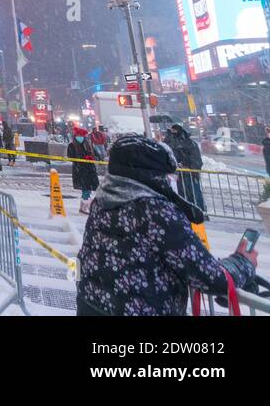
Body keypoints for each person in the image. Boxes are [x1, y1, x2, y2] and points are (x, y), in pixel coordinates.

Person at [77, 135, 258, 315]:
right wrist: (242, 263)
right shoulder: (156, 211)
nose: (174, 179)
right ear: (152, 174)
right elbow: (211, 277)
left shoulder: (102, 203)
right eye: (169, 173)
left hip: (93, 307)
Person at [164, 123, 206, 214]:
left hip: (189, 174)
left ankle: (198, 212)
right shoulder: (173, 142)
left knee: (193, 194)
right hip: (181, 174)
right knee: (184, 195)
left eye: (174, 131)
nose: (173, 133)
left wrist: (188, 166)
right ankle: (191, 211)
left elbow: (196, 159)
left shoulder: (188, 143)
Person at [68, 126, 100, 214]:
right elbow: (70, 157)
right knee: (85, 189)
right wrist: (82, 158)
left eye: (82, 135)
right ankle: (84, 207)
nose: (80, 137)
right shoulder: (72, 145)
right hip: (80, 170)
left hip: (90, 169)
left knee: (88, 189)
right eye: (79, 135)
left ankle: (84, 207)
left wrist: (91, 157)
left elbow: (96, 154)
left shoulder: (88, 144)